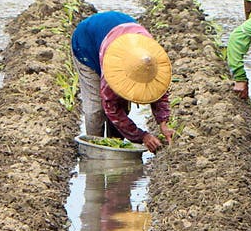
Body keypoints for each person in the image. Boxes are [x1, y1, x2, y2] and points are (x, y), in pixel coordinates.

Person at [71, 11, 174, 154]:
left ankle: (116, 147)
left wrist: (163, 123)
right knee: (96, 109)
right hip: (86, 43)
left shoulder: (150, 58)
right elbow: (110, 106)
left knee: (122, 104)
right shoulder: (114, 69)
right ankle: (94, 150)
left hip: (121, 31)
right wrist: (142, 136)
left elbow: (159, 90)